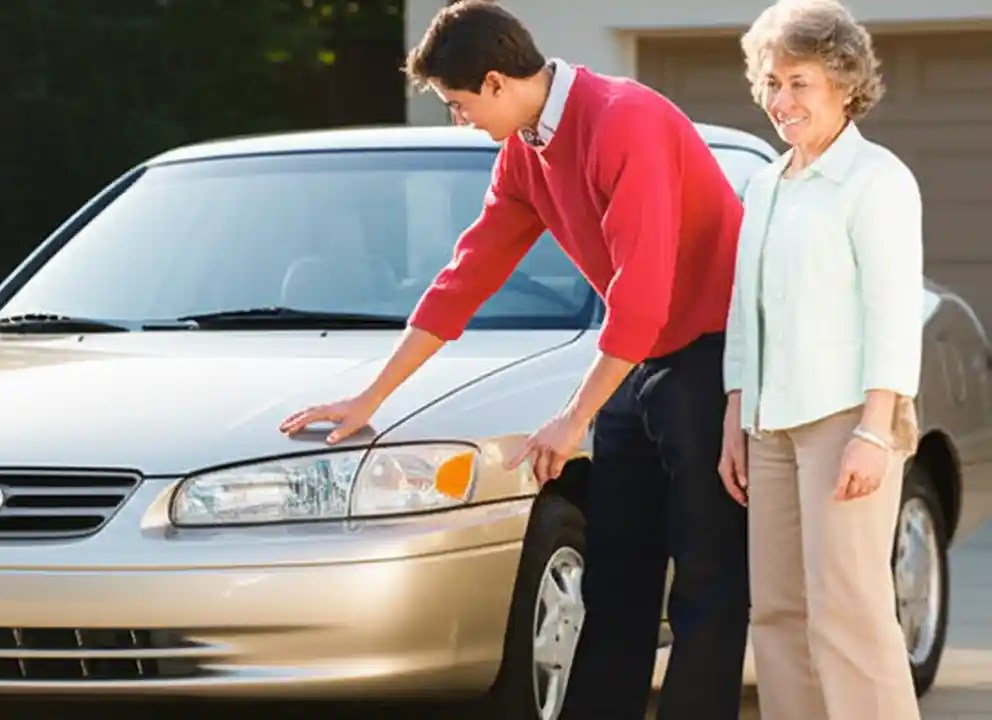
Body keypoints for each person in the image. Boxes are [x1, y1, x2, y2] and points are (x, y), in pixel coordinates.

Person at [278, 1, 749, 717]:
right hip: (639, 362)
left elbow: (643, 295)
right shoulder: (526, 153)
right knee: (616, 575)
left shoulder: (627, 121)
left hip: (714, 356)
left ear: (496, 81)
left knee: (706, 579)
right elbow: (463, 280)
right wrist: (370, 399)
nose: (458, 118)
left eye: (457, 104)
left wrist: (571, 418)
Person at [718, 1, 925, 718]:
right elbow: (747, 313)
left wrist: (876, 430)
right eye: (771, 83)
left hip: (847, 423)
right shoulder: (767, 185)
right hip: (770, 428)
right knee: (776, 612)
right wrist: (735, 416)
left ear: (843, 80)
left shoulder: (877, 180)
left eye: (799, 82)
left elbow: (894, 314)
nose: (781, 101)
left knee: (848, 611)